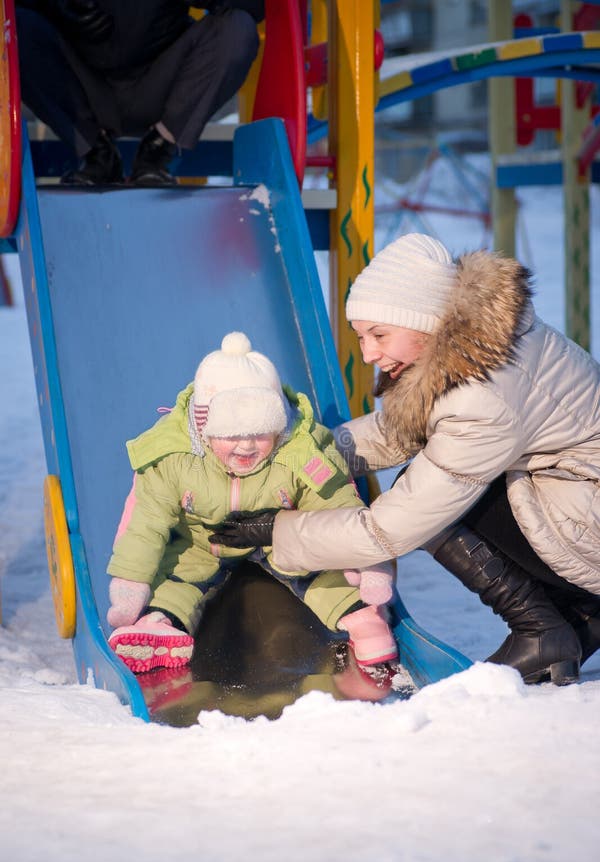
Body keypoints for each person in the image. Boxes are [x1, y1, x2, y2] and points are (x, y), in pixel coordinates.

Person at [211, 233, 600, 687]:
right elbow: (394, 431)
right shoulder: (478, 345)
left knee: (426, 496)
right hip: (578, 495)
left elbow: (390, 529)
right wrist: (295, 454)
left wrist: (277, 531)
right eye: (361, 337)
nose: (369, 353)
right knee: (439, 479)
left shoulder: (483, 395)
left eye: (379, 335)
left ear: (428, 321)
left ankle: (542, 629)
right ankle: (581, 614)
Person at [106, 332, 397, 673]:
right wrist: (130, 581)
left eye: (260, 433)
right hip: (202, 543)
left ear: (279, 426)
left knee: (323, 561)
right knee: (174, 573)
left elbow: (339, 505)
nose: (246, 447)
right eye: (231, 435)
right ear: (204, 429)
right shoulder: (174, 457)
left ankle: (364, 618)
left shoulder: (299, 451)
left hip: (281, 536)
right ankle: (160, 624)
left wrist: (368, 561)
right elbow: (146, 524)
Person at [15, 1, 264, 186]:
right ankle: (96, 152)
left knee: (237, 29)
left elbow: (253, 6)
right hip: (84, 89)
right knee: (12, 28)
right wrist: (57, 6)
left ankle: (158, 149)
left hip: (161, 86)